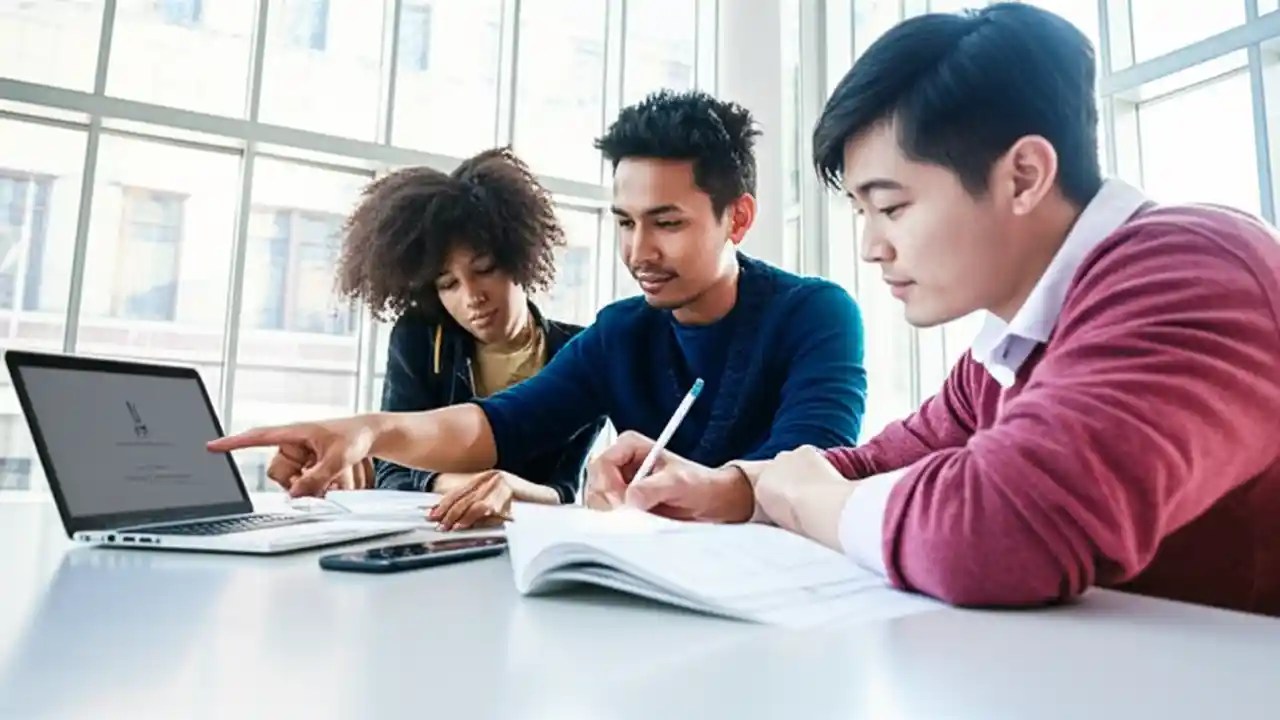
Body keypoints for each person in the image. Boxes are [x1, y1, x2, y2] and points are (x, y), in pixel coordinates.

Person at [594, 4, 1280, 616]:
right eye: (862, 212)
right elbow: (875, 464)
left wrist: (810, 500)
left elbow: (1001, 529)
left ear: (1024, 176)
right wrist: (730, 488)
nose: (871, 246)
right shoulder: (1012, 343)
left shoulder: (1193, 273)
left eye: (891, 207)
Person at [208, 89, 868, 531]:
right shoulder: (620, 334)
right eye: (623, 223)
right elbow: (496, 425)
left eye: (666, 222)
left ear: (739, 218)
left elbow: (816, 462)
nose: (639, 251)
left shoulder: (816, 315)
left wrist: (708, 488)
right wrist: (367, 430)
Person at [325, 147, 604, 519]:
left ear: (519, 259)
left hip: (532, 539)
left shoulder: (579, 351)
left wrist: (508, 488)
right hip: (437, 531)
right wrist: (477, 487)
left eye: (485, 268)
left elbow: (564, 489)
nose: (473, 297)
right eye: (448, 284)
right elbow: (393, 471)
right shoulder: (420, 339)